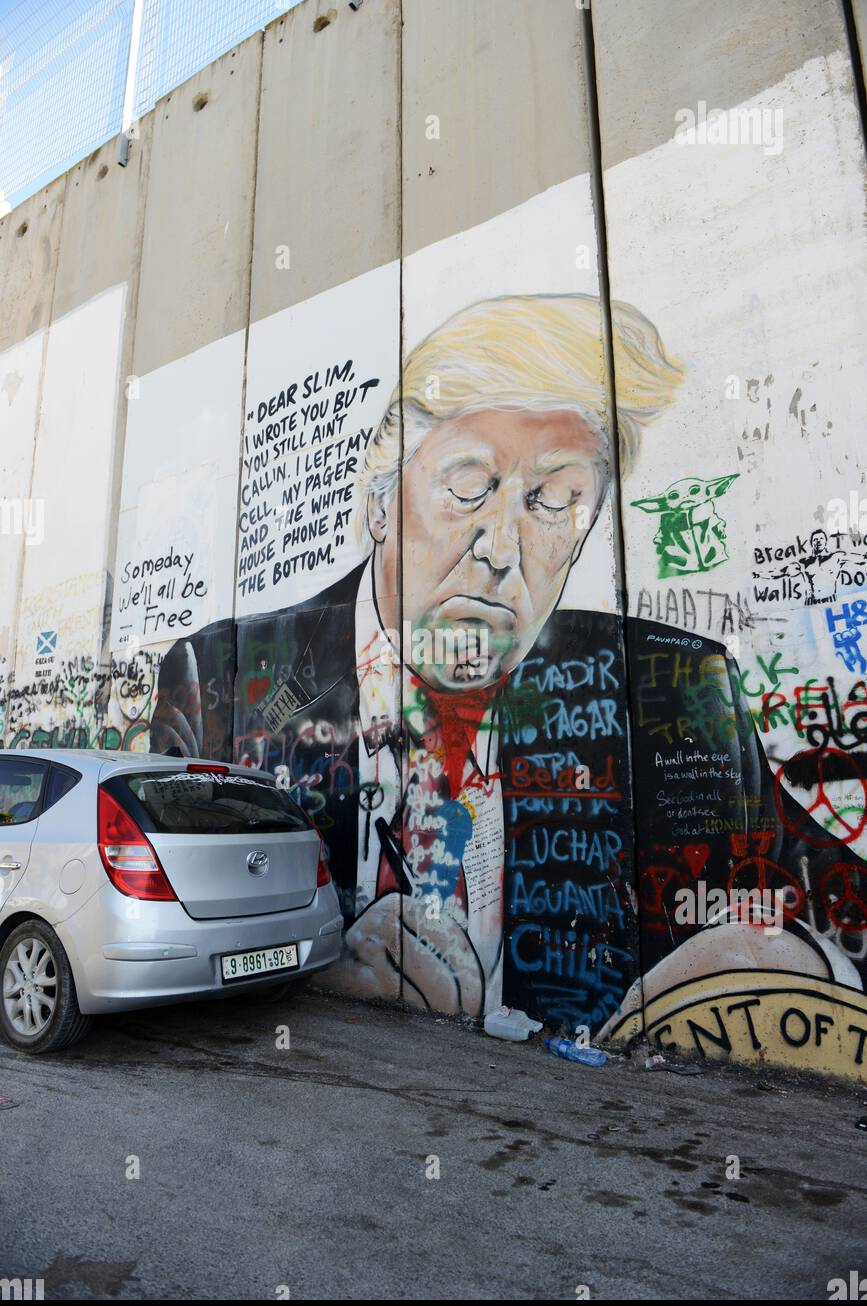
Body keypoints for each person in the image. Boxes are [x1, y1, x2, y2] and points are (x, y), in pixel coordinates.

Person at [150, 295, 866, 1029]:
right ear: (378, 501)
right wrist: (314, 960)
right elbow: (166, 910)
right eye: (468, 488)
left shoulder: (672, 689)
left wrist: (800, 962)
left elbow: (838, 903)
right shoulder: (225, 679)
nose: (501, 549)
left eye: (554, 502)